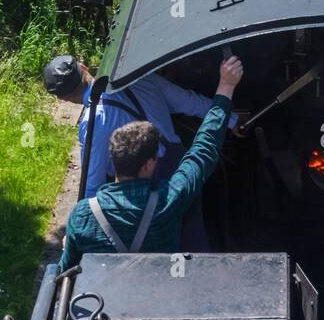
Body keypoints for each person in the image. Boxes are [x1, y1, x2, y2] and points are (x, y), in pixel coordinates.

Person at [58, 54, 244, 272]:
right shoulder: (142, 80)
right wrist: (229, 105)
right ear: (83, 67)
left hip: (126, 192)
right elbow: (201, 140)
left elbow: (92, 180)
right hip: (174, 169)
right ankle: (198, 275)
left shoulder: (83, 216)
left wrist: (85, 219)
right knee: (193, 237)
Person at [42, 53, 241, 199]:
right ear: (84, 67)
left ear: (63, 99)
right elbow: (189, 102)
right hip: (178, 167)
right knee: (193, 231)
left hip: (141, 189)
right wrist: (232, 120)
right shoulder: (138, 78)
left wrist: (84, 224)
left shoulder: (93, 122)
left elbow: (93, 182)